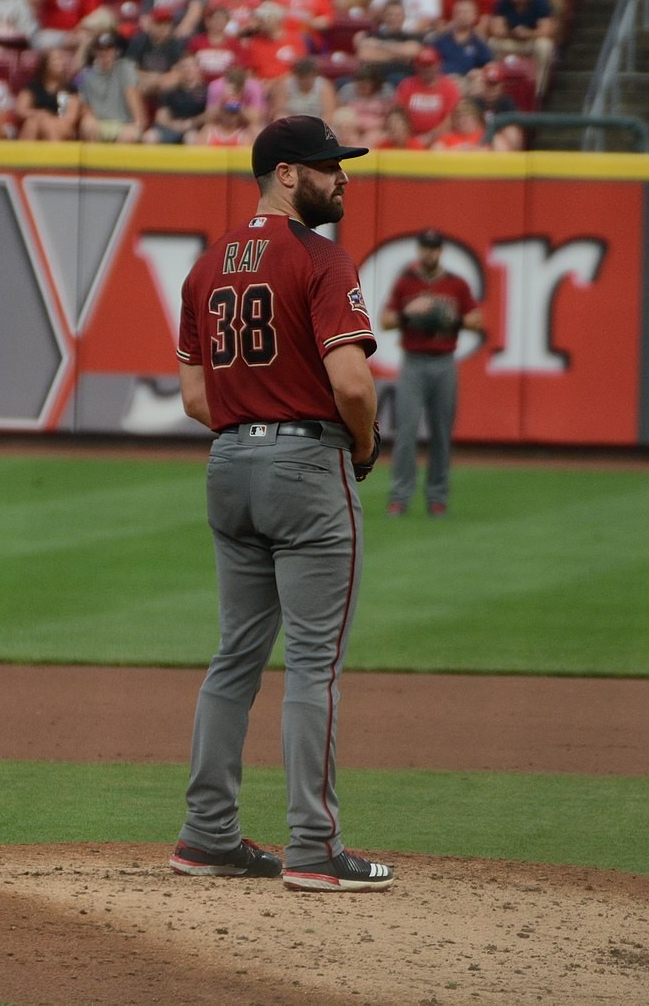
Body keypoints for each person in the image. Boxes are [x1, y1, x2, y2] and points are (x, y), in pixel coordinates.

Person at [171, 113, 391, 894]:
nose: (343, 178)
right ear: (286, 174)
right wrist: (361, 448)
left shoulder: (205, 268)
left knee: (234, 657)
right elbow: (353, 384)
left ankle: (206, 837)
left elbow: (196, 396)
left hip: (227, 462)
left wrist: (249, 425)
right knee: (313, 663)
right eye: (328, 165)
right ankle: (313, 848)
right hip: (304, 464)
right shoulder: (320, 258)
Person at [380, 227, 481, 517]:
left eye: (434, 248)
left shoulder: (455, 284)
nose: (429, 252)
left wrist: (453, 318)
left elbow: (476, 319)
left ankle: (437, 498)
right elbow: (385, 320)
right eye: (425, 247)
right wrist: (410, 312)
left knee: (441, 433)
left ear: (441, 251)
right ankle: (399, 497)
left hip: (443, 362)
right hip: (413, 362)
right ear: (419, 250)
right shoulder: (406, 283)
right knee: (406, 432)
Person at [78, 32, 147, 142]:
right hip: (99, 123)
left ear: (116, 51)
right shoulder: (86, 76)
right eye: (101, 49)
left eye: (109, 49)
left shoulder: (126, 68)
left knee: (130, 134)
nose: (105, 53)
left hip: (124, 124)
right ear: (95, 52)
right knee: (88, 125)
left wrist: (138, 125)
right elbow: (86, 107)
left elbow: (134, 100)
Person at [394, 46, 461, 145]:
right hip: (409, 136)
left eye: (430, 65)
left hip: (439, 138)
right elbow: (398, 114)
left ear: (438, 65)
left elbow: (450, 120)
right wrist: (407, 137)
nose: (426, 69)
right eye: (422, 65)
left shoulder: (449, 87)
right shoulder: (406, 85)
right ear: (416, 65)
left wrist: (428, 137)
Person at [16, 46, 82, 140]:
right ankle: (24, 153)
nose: (61, 63)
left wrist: (46, 120)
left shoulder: (69, 89)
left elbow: (68, 118)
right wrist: (39, 114)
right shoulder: (33, 86)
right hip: (36, 122)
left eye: (62, 59)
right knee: (32, 123)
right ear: (45, 64)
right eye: (56, 59)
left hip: (61, 124)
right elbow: (21, 110)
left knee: (46, 125)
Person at [146, 54, 211, 142]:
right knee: (150, 136)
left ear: (198, 68)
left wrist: (192, 122)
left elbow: (210, 114)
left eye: (192, 66)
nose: (188, 69)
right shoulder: (170, 91)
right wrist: (173, 125)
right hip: (172, 127)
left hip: (194, 129)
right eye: (184, 66)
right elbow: (161, 117)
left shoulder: (207, 91)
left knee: (191, 137)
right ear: (179, 70)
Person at [427, 0, 493, 79]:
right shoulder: (439, 40)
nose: (463, 15)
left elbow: (489, 65)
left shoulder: (479, 43)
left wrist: (480, 72)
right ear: (453, 15)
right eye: (460, 12)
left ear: (475, 16)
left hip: (467, 82)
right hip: (443, 80)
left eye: (467, 12)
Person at [269, 55, 337, 120]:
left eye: (309, 78)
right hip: (292, 122)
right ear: (296, 76)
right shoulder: (285, 85)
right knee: (279, 117)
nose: (306, 81)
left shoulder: (324, 86)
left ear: (314, 76)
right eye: (302, 78)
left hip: (317, 122)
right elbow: (279, 109)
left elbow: (329, 112)